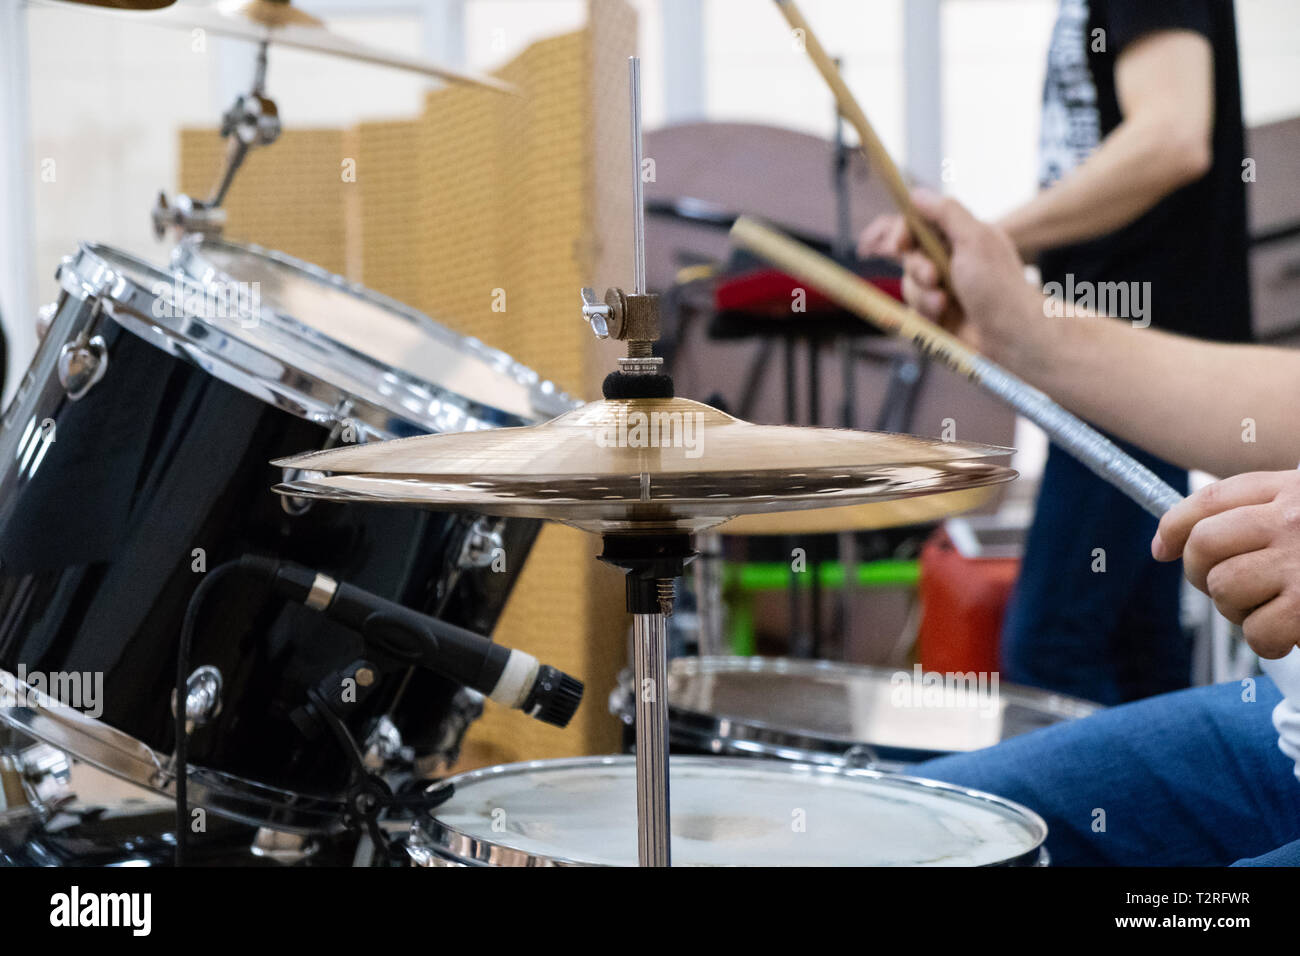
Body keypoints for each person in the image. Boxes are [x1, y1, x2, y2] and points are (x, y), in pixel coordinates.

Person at [881, 189, 1300, 865]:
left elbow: (1174, 140)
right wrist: (1018, 330)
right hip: (1280, 737)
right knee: (902, 827)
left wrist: (1014, 227)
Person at [860, 0, 1252, 705]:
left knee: (1052, 645)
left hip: (1133, 364)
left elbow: (1172, 138)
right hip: (1114, 354)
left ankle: (1102, 819)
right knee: (1140, 646)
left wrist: (989, 239)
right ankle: (1159, 819)